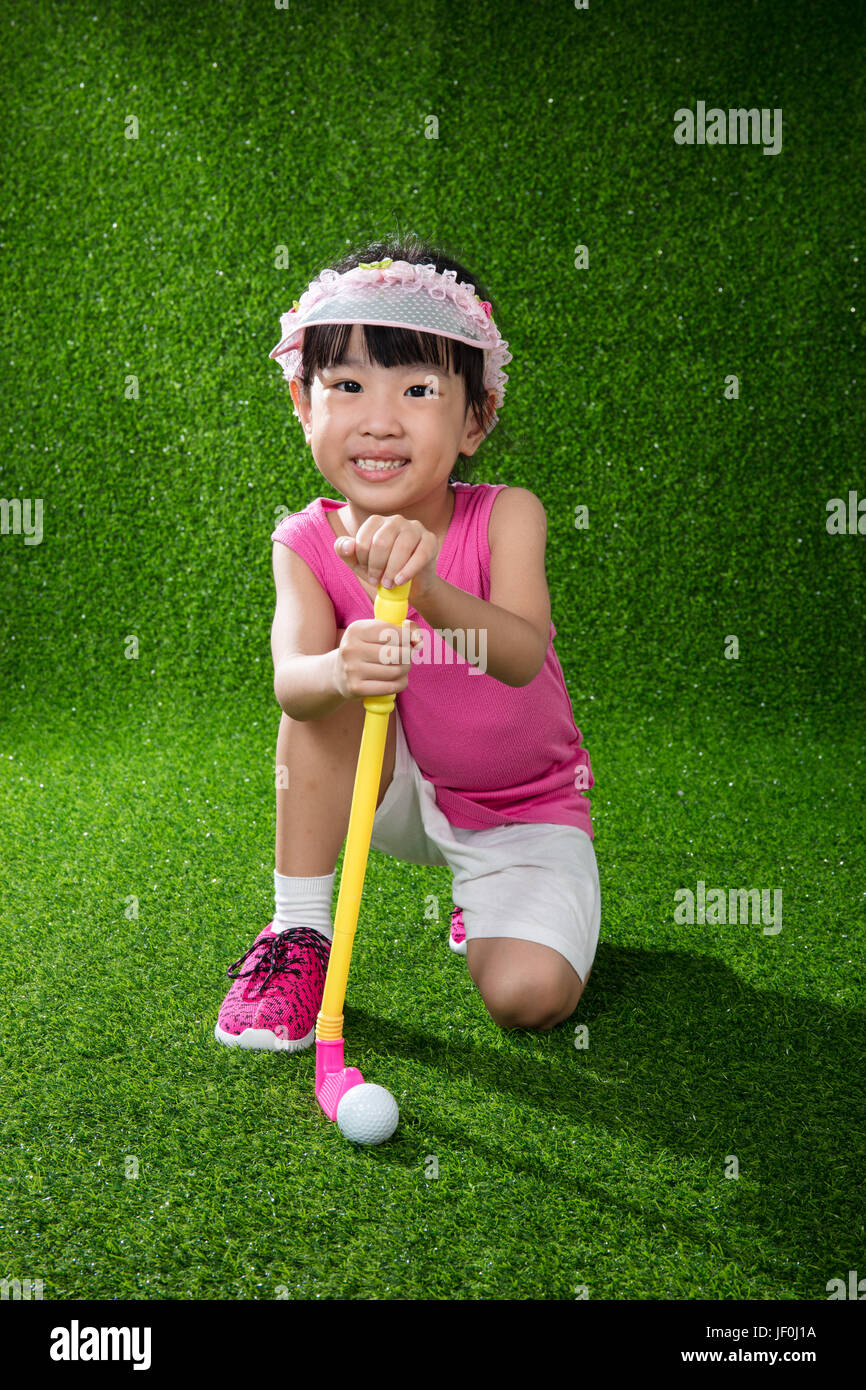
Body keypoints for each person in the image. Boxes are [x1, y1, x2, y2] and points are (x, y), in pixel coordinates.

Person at [214, 234, 601, 1053]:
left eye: (419, 388)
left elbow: (522, 655)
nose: (379, 420)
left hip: (516, 807)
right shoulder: (305, 543)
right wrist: (337, 668)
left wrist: (425, 589)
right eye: (346, 384)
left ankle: (492, 900)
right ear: (302, 404)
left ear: (476, 418)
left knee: (528, 999)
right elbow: (292, 685)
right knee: (329, 695)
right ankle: (298, 936)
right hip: (387, 788)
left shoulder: (507, 514)